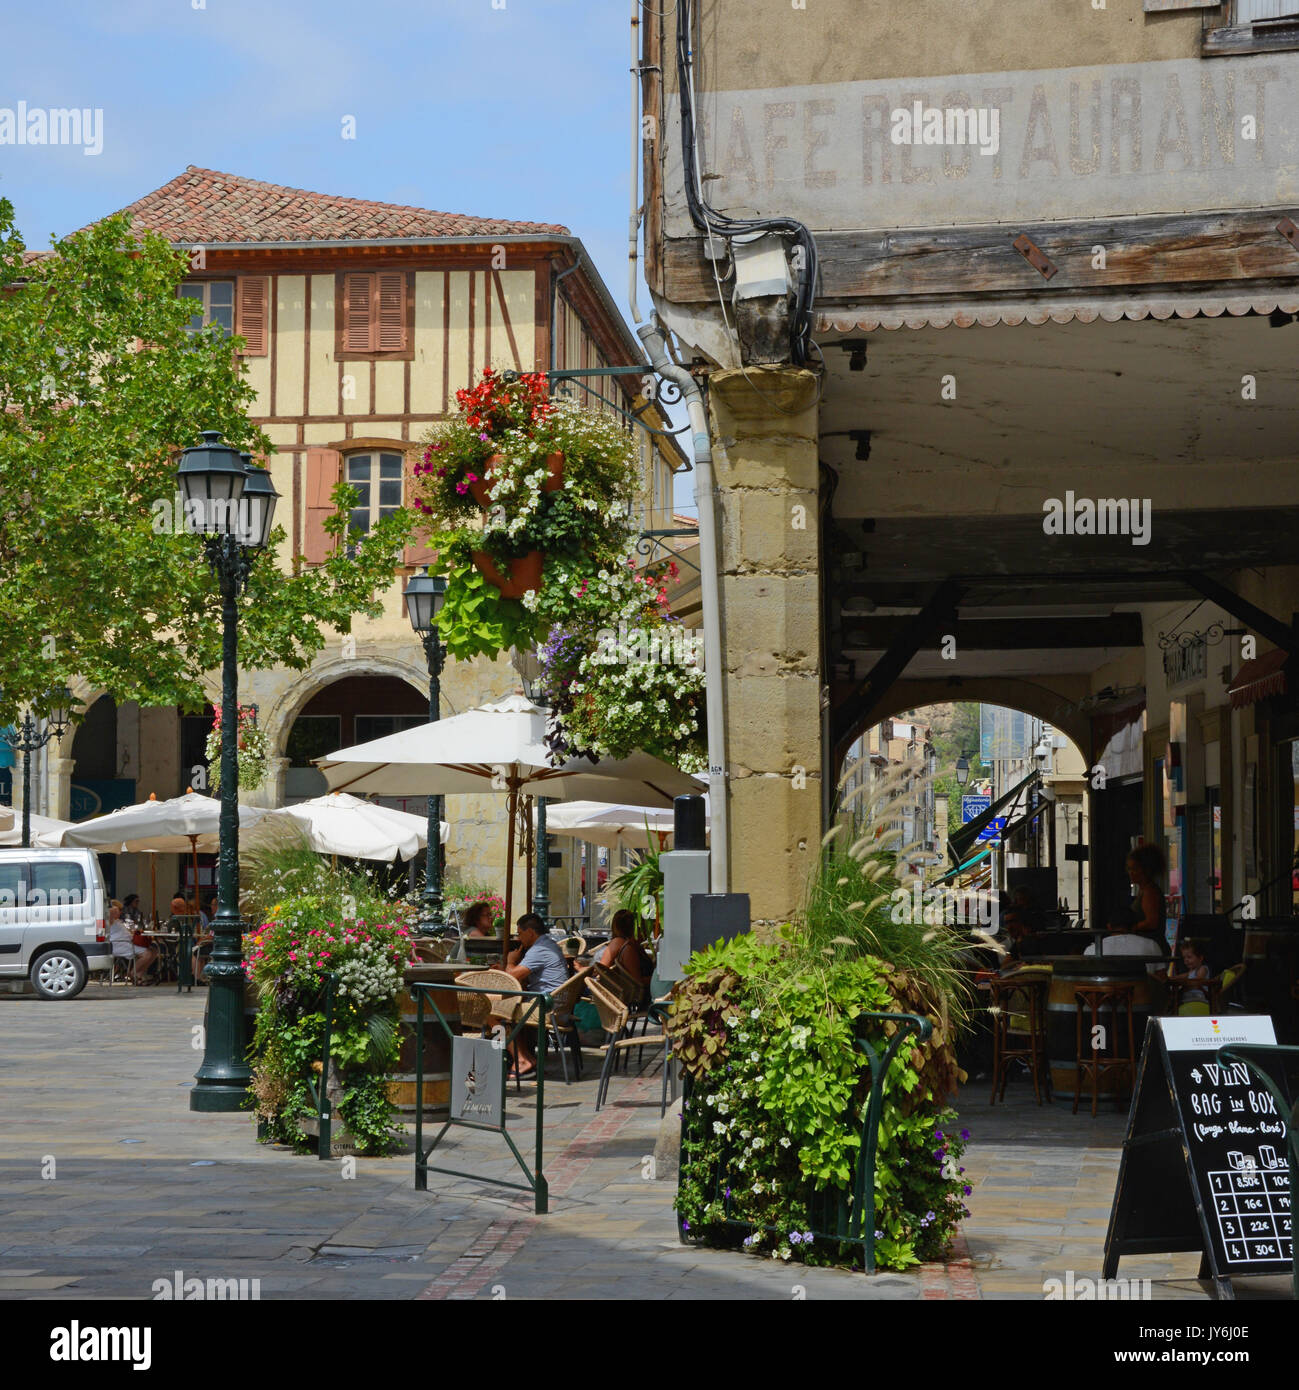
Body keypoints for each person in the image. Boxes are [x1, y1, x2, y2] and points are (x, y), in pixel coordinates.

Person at [495, 913, 569, 1079]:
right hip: (558, 1005)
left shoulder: (539, 950)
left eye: (520, 933)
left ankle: (521, 1060)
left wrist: (510, 961)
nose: (519, 938)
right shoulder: (548, 944)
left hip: (548, 1008)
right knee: (507, 1009)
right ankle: (527, 1057)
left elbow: (512, 976)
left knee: (494, 1013)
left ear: (530, 932)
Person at [598, 910, 652, 999]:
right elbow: (637, 983)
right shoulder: (628, 949)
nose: (647, 930)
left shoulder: (636, 947)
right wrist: (657, 978)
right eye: (644, 926)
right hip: (642, 999)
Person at [109, 900, 158, 985]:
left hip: (127, 943)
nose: (120, 912)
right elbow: (110, 912)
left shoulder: (117, 921)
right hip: (119, 945)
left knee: (154, 951)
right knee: (147, 954)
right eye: (119, 910)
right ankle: (132, 973)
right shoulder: (110, 920)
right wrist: (114, 907)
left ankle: (139, 975)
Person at [1161, 939, 1211, 1013]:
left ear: (1200, 958)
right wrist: (1170, 978)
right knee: (1171, 998)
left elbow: (1198, 980)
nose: (1186, 960)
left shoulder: (1202, 968)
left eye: (1189, 957)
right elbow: (1180, 976)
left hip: (1199, 998)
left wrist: (1184, 983)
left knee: (1173, 999)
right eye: (1184, 957)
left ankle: (1169, 1012)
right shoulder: (1191, 971)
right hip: (1189, 996)